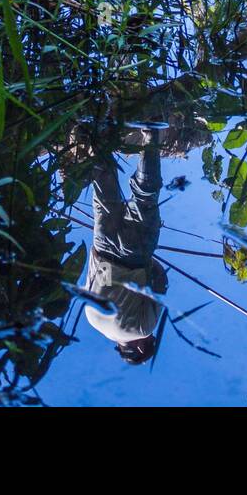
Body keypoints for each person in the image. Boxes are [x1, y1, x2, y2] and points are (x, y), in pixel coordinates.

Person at [82, 131, 168, 364]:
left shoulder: (143, 329)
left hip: (136, 254)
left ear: (140, 348)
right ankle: (96, 126)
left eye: (151, 341)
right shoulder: (92, 318)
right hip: (103, 244)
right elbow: (99, 276)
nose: (151, 337)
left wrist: (149, 263)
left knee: (145, 196)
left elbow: (159, 282)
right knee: (103, 182)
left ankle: (150, 134)